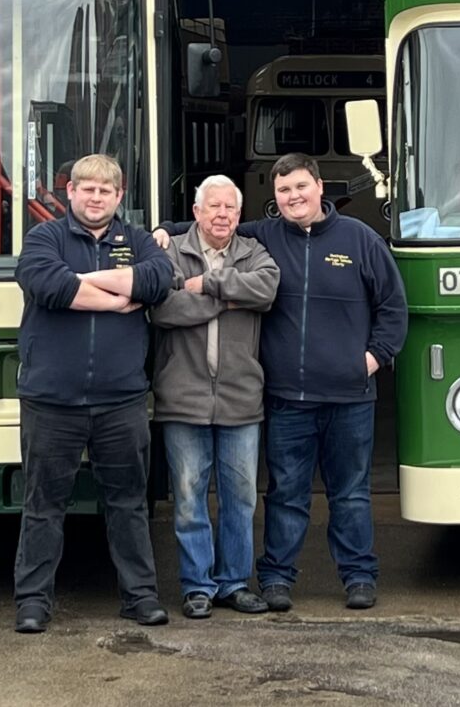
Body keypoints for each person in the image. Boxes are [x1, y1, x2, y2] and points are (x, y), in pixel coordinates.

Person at [156, 152, 407, 612]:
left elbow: (393, 307)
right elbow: (212, 223)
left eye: (300, 188)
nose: (293, 197)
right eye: (284, 191)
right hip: (288, 397)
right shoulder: (262, 236)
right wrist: (161, 231)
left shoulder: (361, 239)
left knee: (350, 493)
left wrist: (372, 360)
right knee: (286, 494)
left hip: (351, 394)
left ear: (318, 188)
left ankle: (359, 577)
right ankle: (275, 579)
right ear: (274, 200)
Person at [11, 154, 175, 634]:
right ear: (70, 193)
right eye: (87, 189)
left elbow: (159, 279)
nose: (96, 197)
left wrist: (81, 283)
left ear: (119, 197)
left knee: (128, 503)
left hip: (120, 401)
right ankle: (33, 601)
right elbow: (46, 284)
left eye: (106, 190)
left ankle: (140, 597)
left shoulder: (139, 241)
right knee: (43, 505)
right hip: (51, 401)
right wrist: (121, 298)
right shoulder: (44, 238)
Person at [149, 175, 280, 619]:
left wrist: (205, 285)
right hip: (182, 397)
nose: (223, 215)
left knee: (240, 500)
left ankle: (234, 583)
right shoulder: (169, 251)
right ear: (197, 210)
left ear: (238, 215)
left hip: (242, 399)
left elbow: (267, 289)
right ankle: (197, 586)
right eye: (214, 207)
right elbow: (161, 307)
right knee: (188, 498)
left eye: (230, 208)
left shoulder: (253, 252)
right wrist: (228, 297)